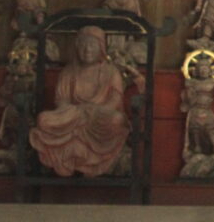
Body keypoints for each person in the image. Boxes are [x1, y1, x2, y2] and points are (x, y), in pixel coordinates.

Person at [28, 26, 138, 177]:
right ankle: (70, 154)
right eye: (83, 45)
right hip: (74, 115)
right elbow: (61, 101)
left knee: (117, 120)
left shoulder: (111, 71)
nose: (87, 50)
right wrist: (76, 111)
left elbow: (115, 100)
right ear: (77, 47)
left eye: (92, 45)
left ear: (101, 48)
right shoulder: (68, 71)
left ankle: (92, 155)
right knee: (43, 120)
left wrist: (93, 110)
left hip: (98, 116)